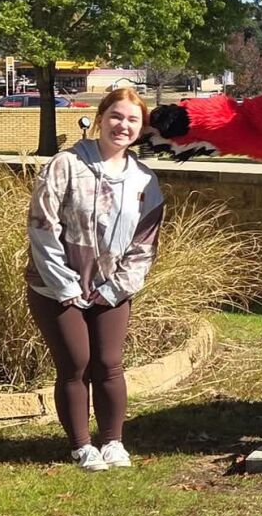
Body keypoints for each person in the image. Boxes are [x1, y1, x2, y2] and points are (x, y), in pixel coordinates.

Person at [26, 87, 165, 471]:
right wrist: (65, 286)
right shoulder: (66, 165)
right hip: (55, 285)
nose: (123, 125)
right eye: (117, 116)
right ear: (101, 117)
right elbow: (42, 226)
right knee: (76, 362)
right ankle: (82, 445)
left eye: (133, 120)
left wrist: (115, 288)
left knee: (108, 362)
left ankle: (113, 442)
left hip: (111, 289)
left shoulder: (144, 181)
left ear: (141, 128)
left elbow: (144, 243)